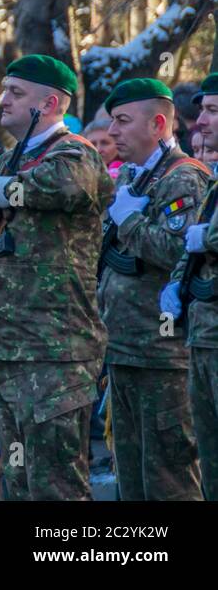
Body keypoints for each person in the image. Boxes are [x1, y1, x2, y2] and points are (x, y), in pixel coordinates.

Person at [0, 55, 113, 500]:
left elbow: (73, 184)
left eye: (15, 92)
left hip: (54, 351)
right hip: (5, 347)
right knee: (17, 480)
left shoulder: (73, 151)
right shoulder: (11, 159)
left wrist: (16, 190)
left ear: (49, 102)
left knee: (56, 483)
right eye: (4, 90)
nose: (1, 100)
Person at [98, 78, 204, 500]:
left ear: (158, 123)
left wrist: (129, 222)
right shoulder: (131, 177)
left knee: (168, 480)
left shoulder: (183, 179)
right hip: (124, 349)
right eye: (112, 122)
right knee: (131, 479)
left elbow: (179, 251)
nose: (113, 132)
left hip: (163, 356)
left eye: (123, 121)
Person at [162, 73, 218, 497]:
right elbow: (191, 244)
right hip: (202, 335)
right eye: (201, 111)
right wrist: (178, 282)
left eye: (213, 111)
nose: (200, 122)